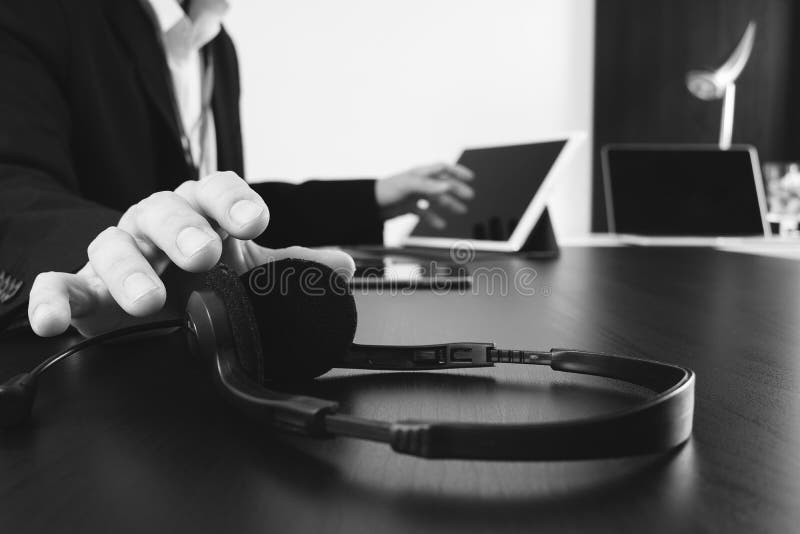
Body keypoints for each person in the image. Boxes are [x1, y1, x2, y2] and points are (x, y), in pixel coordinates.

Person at [0, 0, 474, 336]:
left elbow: (224, 213)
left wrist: (371, 194)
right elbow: (13, 187)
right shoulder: (34, 12)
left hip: (196, 353)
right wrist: (124, 261)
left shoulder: (217, 47)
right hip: (87, 367)